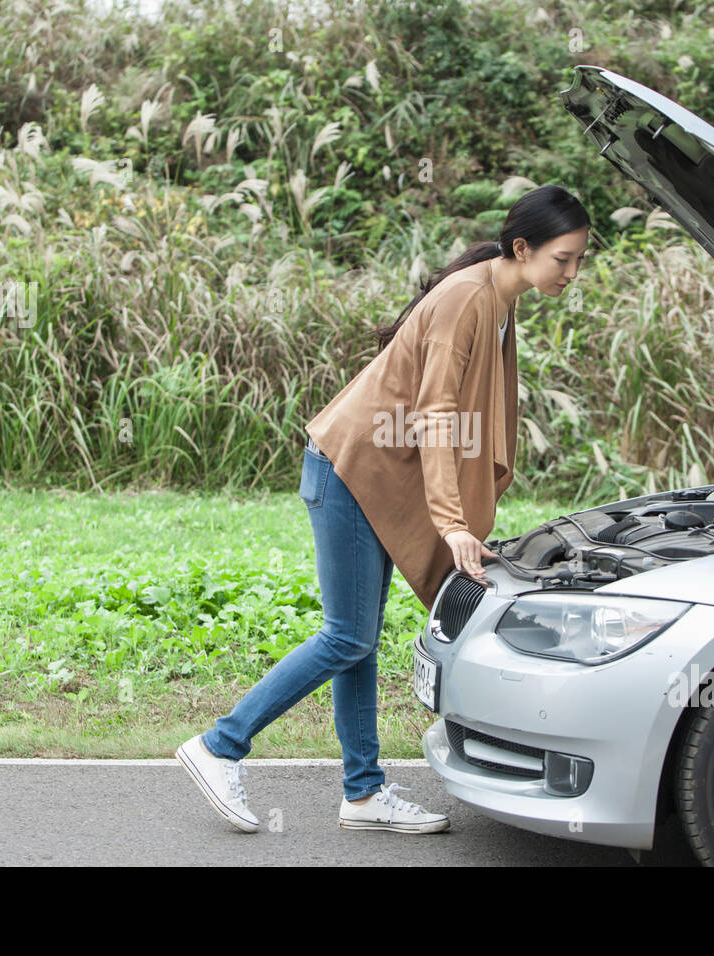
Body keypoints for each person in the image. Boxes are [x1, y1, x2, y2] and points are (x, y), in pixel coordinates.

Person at [177, 183, 591, 834]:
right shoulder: (468, 299)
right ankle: (221, 744)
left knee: (358, 642)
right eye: (563, 259)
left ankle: (363, 794)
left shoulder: (501, 302)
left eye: (578, 260)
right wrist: (451, 523)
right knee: (347, 635)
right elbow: (434, 416)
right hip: (352, 470)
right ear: (522, 248)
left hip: (377, 475)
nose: (571, 272)